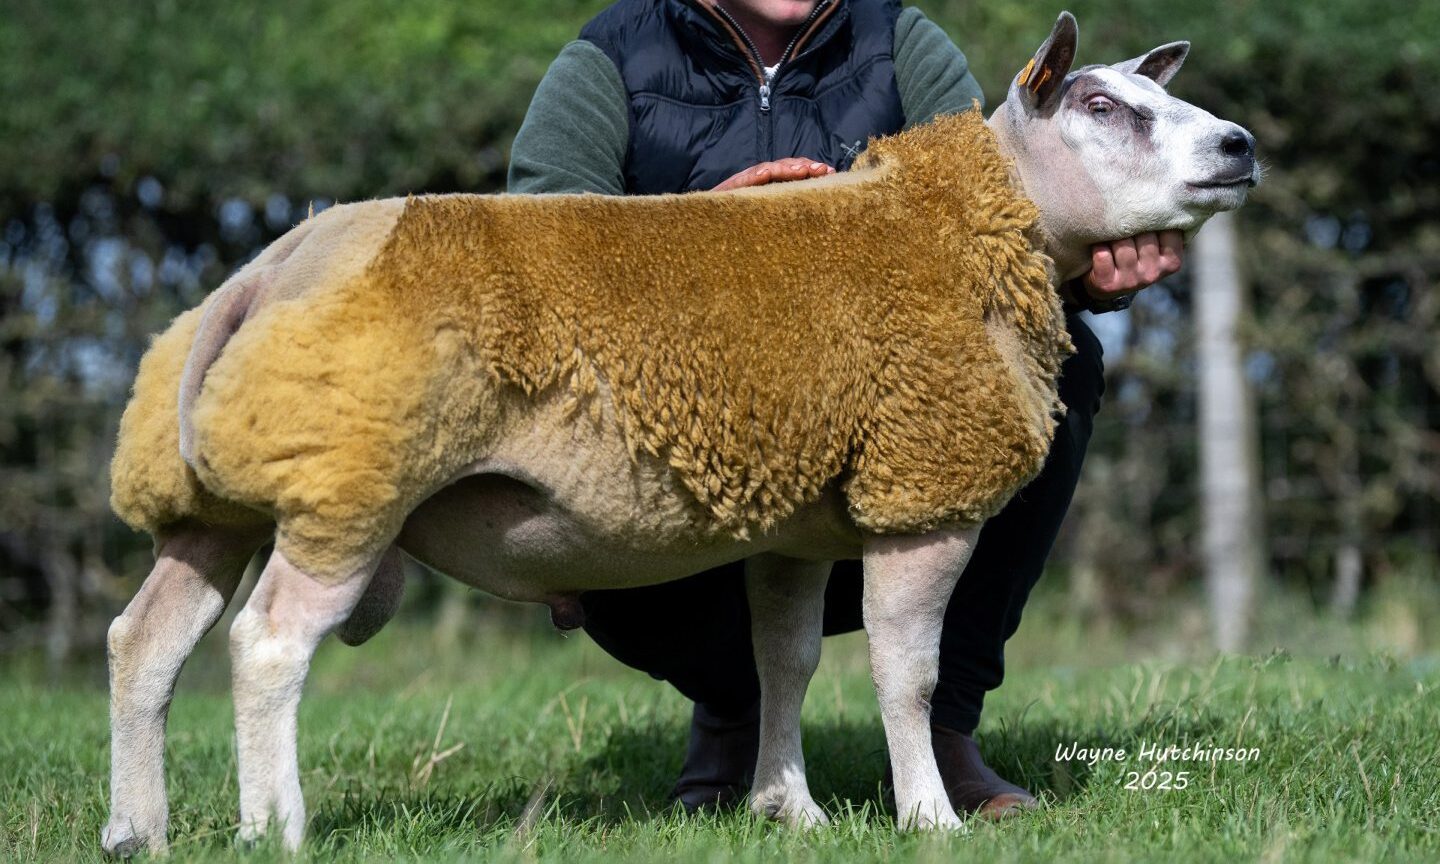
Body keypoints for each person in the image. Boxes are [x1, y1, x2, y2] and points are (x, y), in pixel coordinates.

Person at [507, 0, 1183, 818]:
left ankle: (943, 735)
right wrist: (703, 234)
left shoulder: (902, 44)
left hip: (869, 458)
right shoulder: (609, 57)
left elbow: (991, 225)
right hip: (667, 461)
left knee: (1048, 368)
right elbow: (537, 255)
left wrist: (1080, 279)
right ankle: (736, 716)